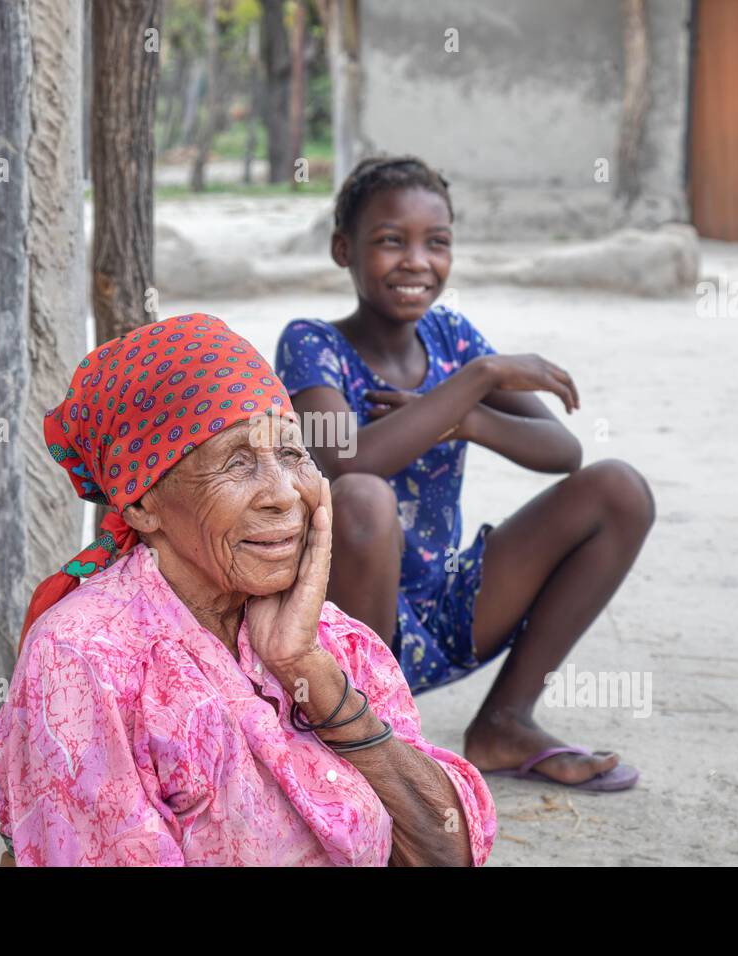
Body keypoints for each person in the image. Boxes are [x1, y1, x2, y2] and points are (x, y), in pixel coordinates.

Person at [0, 314, 496, 866]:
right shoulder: (83, 658)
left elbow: (448, 851)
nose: (284, 495)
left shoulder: (329, 637)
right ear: (140, 503)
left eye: (292, 454)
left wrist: (306, 669)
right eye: (237, 462)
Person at [274, 157, 655, 791]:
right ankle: (364, 743)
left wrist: (465, 419)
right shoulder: (312, 344)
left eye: (437, 242)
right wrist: (479, 379)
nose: (417, 261)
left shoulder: (450, 336)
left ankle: (504, 723)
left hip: (446, 610)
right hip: (344, 622)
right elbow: (348, 459)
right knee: (364, 499)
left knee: (620, 489)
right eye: (391, 240)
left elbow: (562, 451)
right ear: (344, 249)